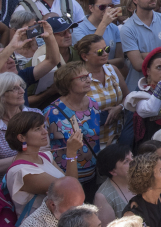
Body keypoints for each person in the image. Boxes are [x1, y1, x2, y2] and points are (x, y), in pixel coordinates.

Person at [5, 111, 82, 216]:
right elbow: (71, 189)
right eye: (37, 129)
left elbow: (68, 179)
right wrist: (72, 153)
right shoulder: (22, 171)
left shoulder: (45, 155)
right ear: (22, 138)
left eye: (43, 127)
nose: (45, 132)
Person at [43, 62, 102, 200]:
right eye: (82, 78)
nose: (88, 80)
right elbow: (44, 148)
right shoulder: (51, 113)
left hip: (92, 175)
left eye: (88, 76)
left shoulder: (93, 104)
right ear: (67, 84)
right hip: (65, 178)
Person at [20, 177, 86, 227]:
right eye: (72, 211)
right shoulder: (32, 224)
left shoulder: (72, 204)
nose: (79, 213)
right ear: (52, 204)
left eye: (81, 205)